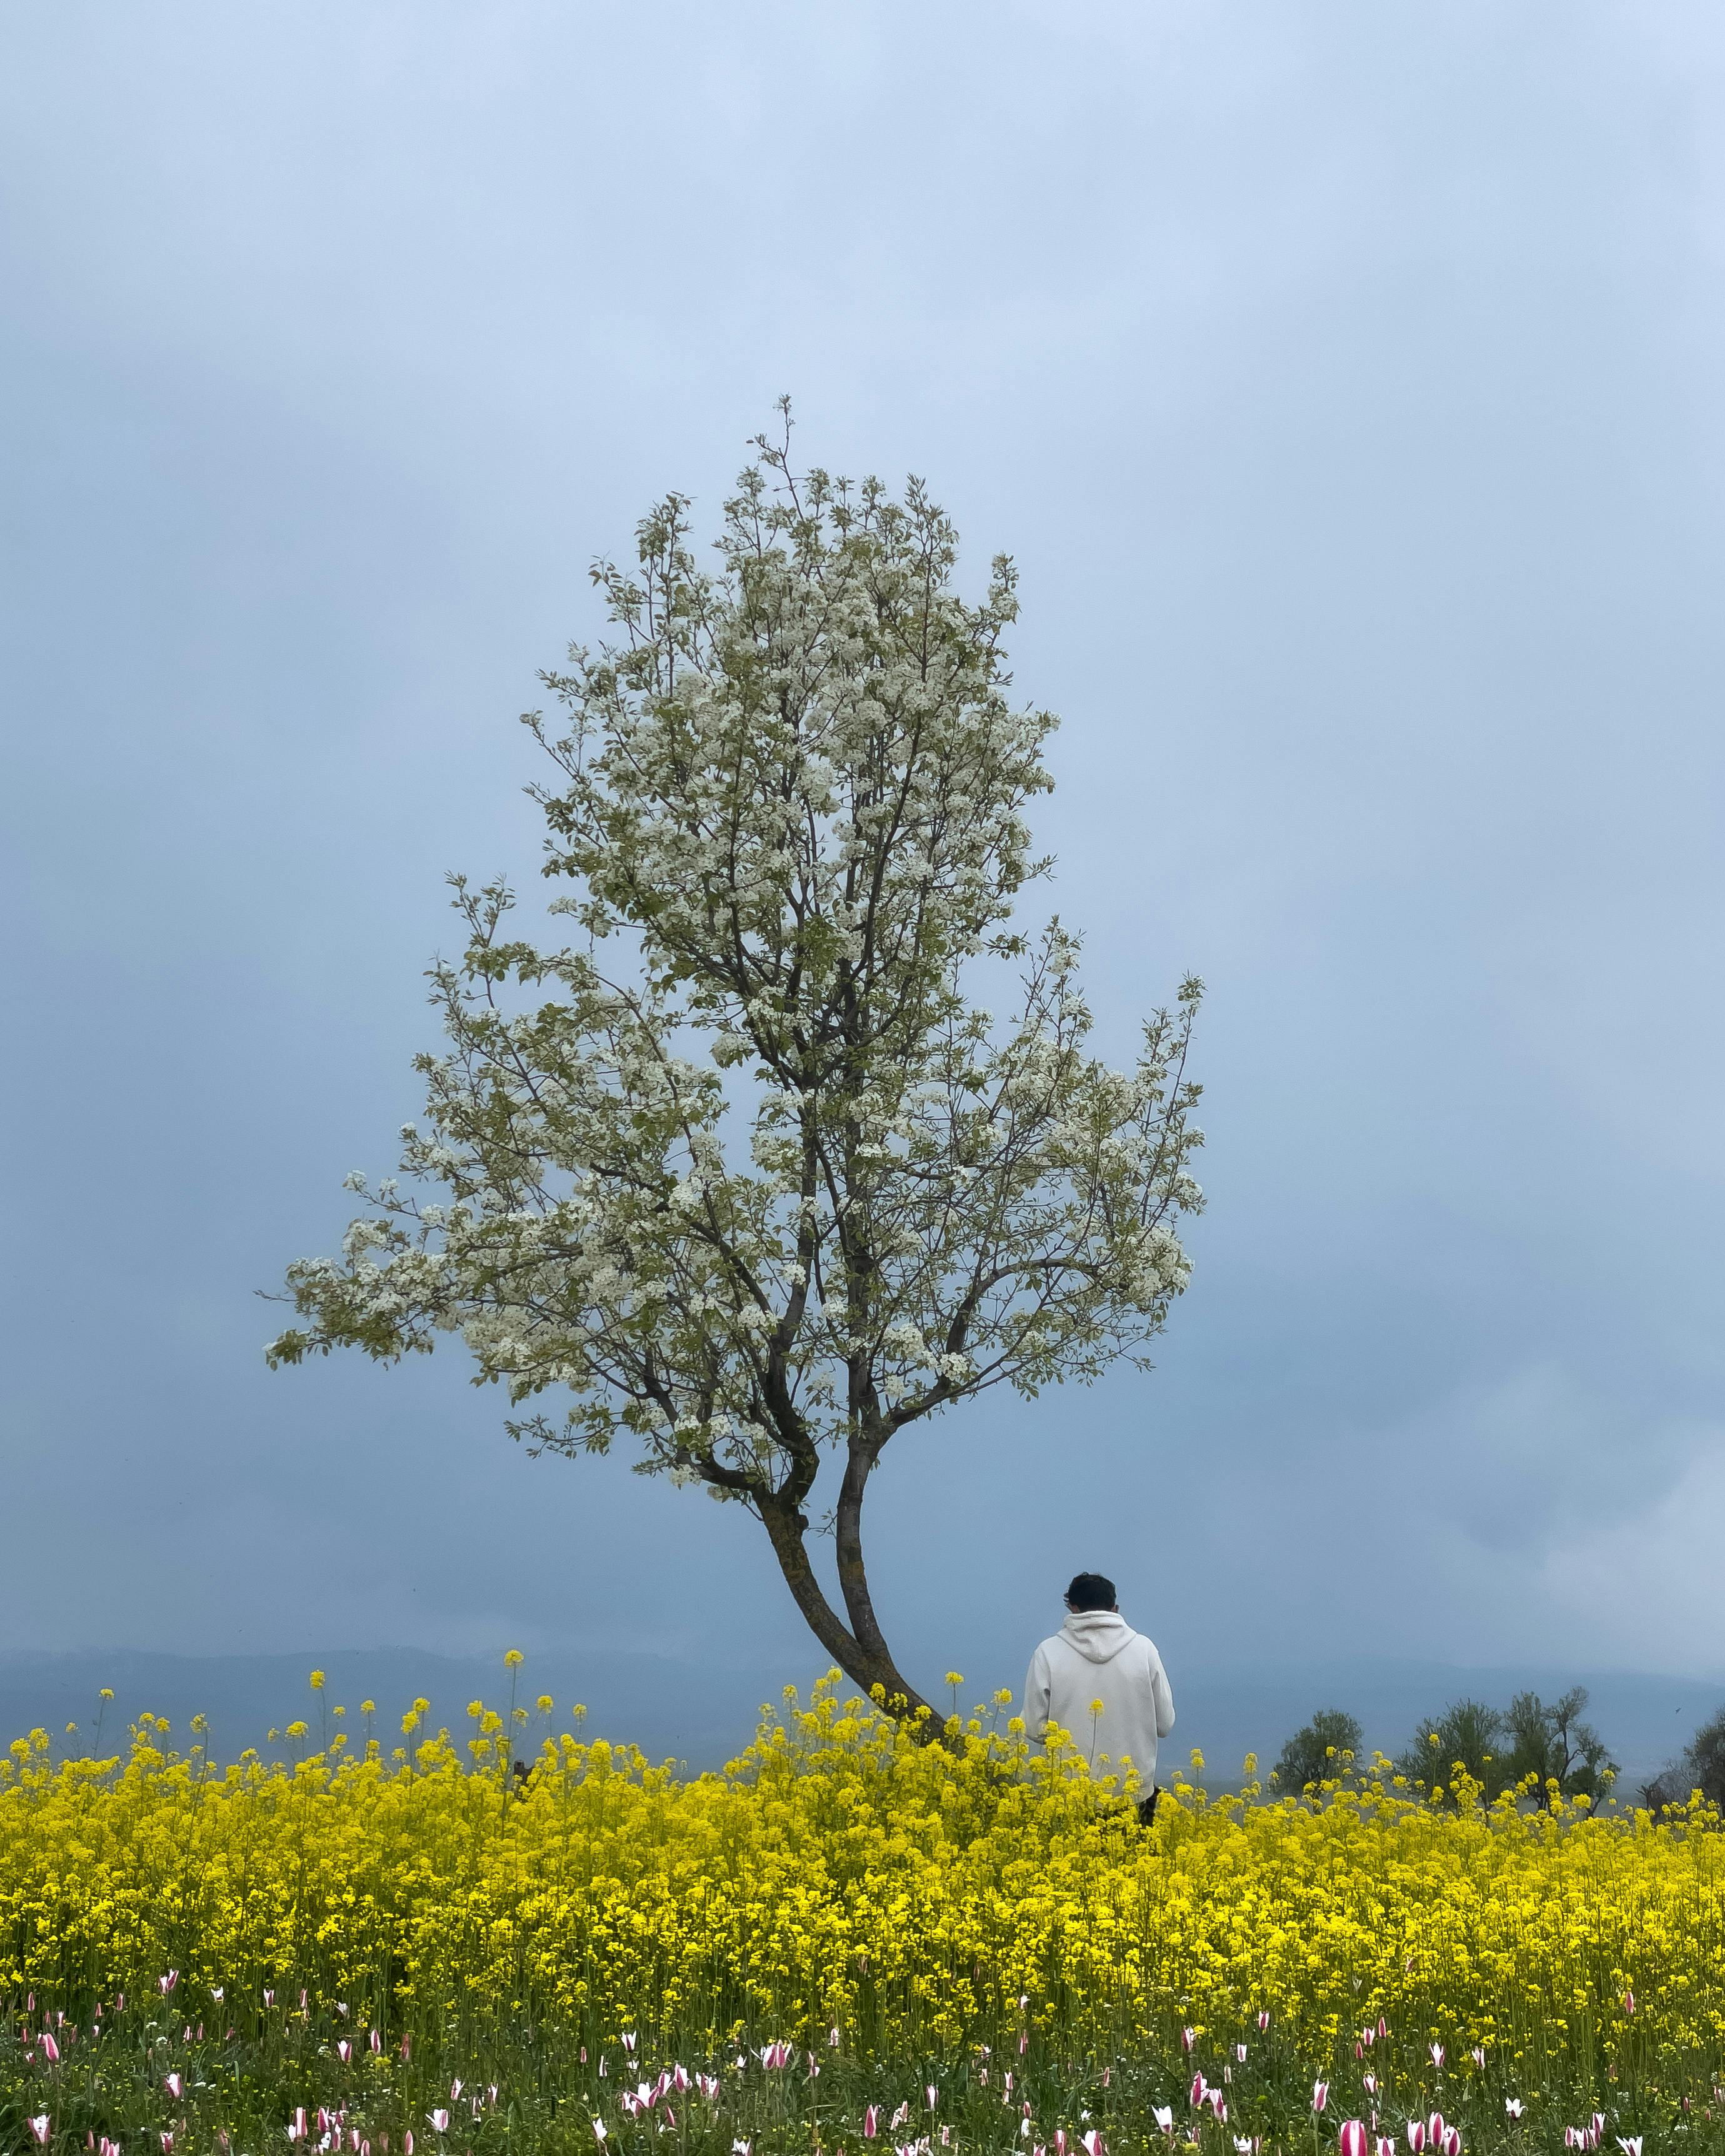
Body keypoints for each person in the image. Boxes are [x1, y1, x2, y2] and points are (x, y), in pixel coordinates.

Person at [1022, 1571, 1176, 1824]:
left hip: (1068, 1793)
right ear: (1115, 1608)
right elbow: (1165, 1724)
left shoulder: (1047, 1652)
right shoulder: (1144, 1649)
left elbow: (1034, 1728)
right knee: (1135, 1862)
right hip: (1133, 1791)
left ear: (1072, 1607)